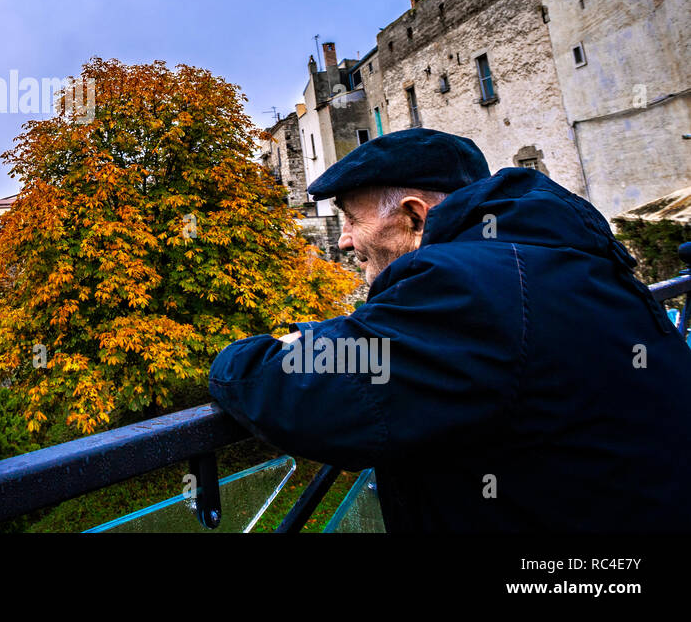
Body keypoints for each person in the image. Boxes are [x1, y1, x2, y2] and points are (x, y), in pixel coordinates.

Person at [209, 127, 691, 531]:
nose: (345, 240)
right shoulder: (553, 257)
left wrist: (242, 354)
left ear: (415, 216)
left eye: (351, 220)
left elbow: (302, 392)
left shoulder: (467, 288)